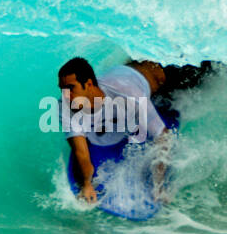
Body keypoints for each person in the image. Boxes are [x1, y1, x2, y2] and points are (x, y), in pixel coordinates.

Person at [57, 57, 171, 204]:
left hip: (160, 76)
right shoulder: (64, 106)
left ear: (89, 84)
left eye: (71, 88)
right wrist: (86, 185)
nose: (66, 95)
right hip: (126, 73)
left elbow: (163, 136)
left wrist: (159, 186)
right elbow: (81, 151)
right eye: (62, 89)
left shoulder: (128, 95)